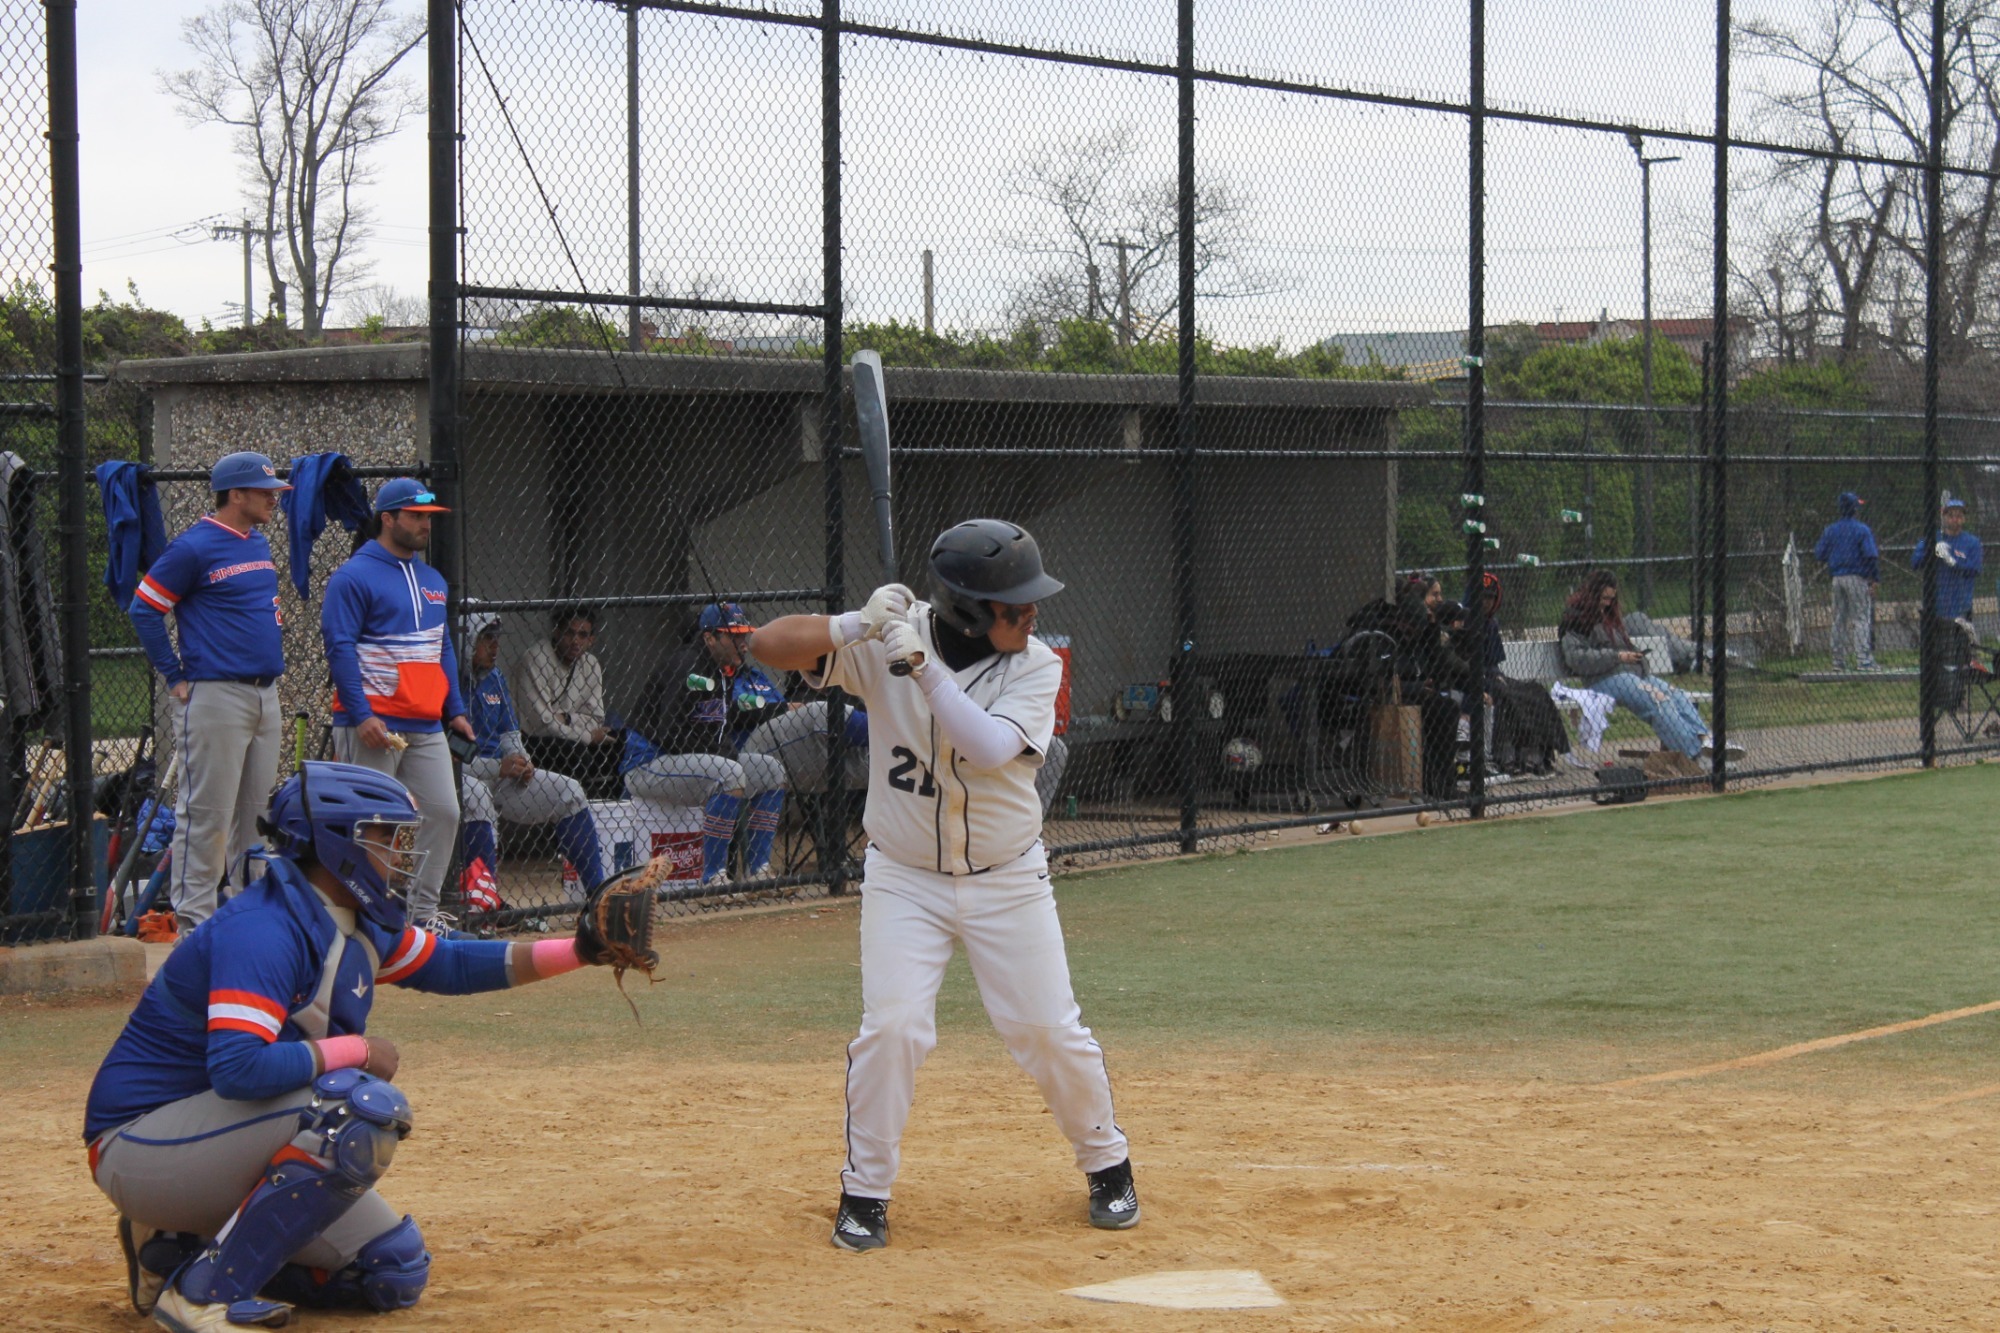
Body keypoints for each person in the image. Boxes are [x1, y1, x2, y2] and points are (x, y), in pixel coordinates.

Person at [82, 761, 627, 1332]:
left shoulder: (350, 917)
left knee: (392, 1270)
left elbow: (453, 962)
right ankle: (200, 1297)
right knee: (354, 1113)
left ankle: (172, 1252)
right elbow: (238, 1070)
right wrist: (358, 1053)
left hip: (216, 1143)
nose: (399, 852)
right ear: (337, 841)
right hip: (139, 1147)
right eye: (385, 836)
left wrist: (584, 950)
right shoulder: (264, 928)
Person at [751, 518, 1137, 1251]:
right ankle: (864, 1193)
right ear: (968, 609)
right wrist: (851, 624)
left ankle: (1107, 1162)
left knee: (1048, 1031)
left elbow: (990, 748)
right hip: (904, 881)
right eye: (1015, 605)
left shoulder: (1035, 664)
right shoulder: (887, 635)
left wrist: (923, 668)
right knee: (892, 1029)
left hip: (1007, 878)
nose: (1031, 614)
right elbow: (764, 646)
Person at [128, 451, 291, 931]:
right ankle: (194, 931)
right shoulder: (194, 547)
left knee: (255, 820)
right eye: (264, 492)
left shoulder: (255, 541)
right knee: (206, 819)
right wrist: (175, 676)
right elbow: (145, 609)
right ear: (234, 494)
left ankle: (249, 924)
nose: (273, 499)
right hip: (215, 694)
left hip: (266, 695)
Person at [320, 479, 475, 933]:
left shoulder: (432, 579)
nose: (425, 524)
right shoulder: (354, 575)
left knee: (443, 812)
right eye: (415, 516)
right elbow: (339, 647)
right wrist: (361, 713)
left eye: (429, 517)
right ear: (387, 519)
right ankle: (359, 919)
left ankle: (419, 919)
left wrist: (456, 709)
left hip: (425, 721)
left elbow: (441, 646)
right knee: (372, 823)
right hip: (373, 720)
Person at [627, 601, 791, 885]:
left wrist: (780, 709)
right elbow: (670, 734)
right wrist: (722, 756)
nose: (743, 643)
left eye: (744, 635)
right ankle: (712, 877)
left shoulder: (720, 670)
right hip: (648, 764)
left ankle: (758, 871)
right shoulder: (690, 668)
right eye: (734, 636)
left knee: (771, 771)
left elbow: (730, 717)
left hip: (686, 764)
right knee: (729, 772)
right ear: (709, 638)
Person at [455, 613, 607, 902]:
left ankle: (598, 896)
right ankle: (486, 903)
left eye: (496, 638)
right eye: (487, 638)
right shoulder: (447, 679)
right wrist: (496, 767)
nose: (495, 646)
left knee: (570, 792)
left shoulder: (495, 678)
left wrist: (522, 760)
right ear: (467, 640)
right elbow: (448, 751)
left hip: (500, 776)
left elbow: (510, 733)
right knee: (476, 796)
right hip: (460, 777)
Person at [1559, 571, 1738, 760]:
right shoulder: (1575, 620)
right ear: (1592, 594)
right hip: (1600, 680)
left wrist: (1637, 659)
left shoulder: (1608, 616)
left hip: (1629, 675)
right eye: (1604, 598)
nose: (1608, 603)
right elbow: (1576, 659)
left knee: (1676, 695)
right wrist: (1617, 657)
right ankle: (1695, 755)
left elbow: (1622, 648)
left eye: (1612, 599)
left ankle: (1706, 741)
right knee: (1658, 701)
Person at [514, 604, 623, 798]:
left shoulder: (590, 664)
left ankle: (608, 812)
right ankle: (566, 816)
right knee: (577, 754)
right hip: (534, 740)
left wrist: (566, 718)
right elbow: (541, 724)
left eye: (582, 635)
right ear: (556, 632)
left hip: (573, 733)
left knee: (620, 742)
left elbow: (596, 718)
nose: (575, 641)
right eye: (569, 633)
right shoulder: (536, 659)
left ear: (591, 640)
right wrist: (587, 736)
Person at [1913, 494, 1985, 712]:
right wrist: (1932, 552)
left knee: (1960, 657)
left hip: (1960, 610)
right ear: (1943, 517)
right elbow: (1915, 563)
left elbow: (1974, 569)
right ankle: (1937, 699)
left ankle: (1958, 698)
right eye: (1951, 515)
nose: (1955, 519)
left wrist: (1952, 559)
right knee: (1936, 657)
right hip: (1935, 610)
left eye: (1959, 516)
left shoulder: (1971, 543)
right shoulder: (1932, 538)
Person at [1814, 491, 1881, 671]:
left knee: (1839, 619)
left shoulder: (1831, 530)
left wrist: (1837, 554)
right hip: (1856, 578)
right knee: (1860, 618)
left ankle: (1838, 661)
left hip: (1837, 578)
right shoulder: (1861, 529)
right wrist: (1874, 578)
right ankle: (1863, 660)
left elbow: (1819, 554)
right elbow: (1870, 555)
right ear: (1855, 510)